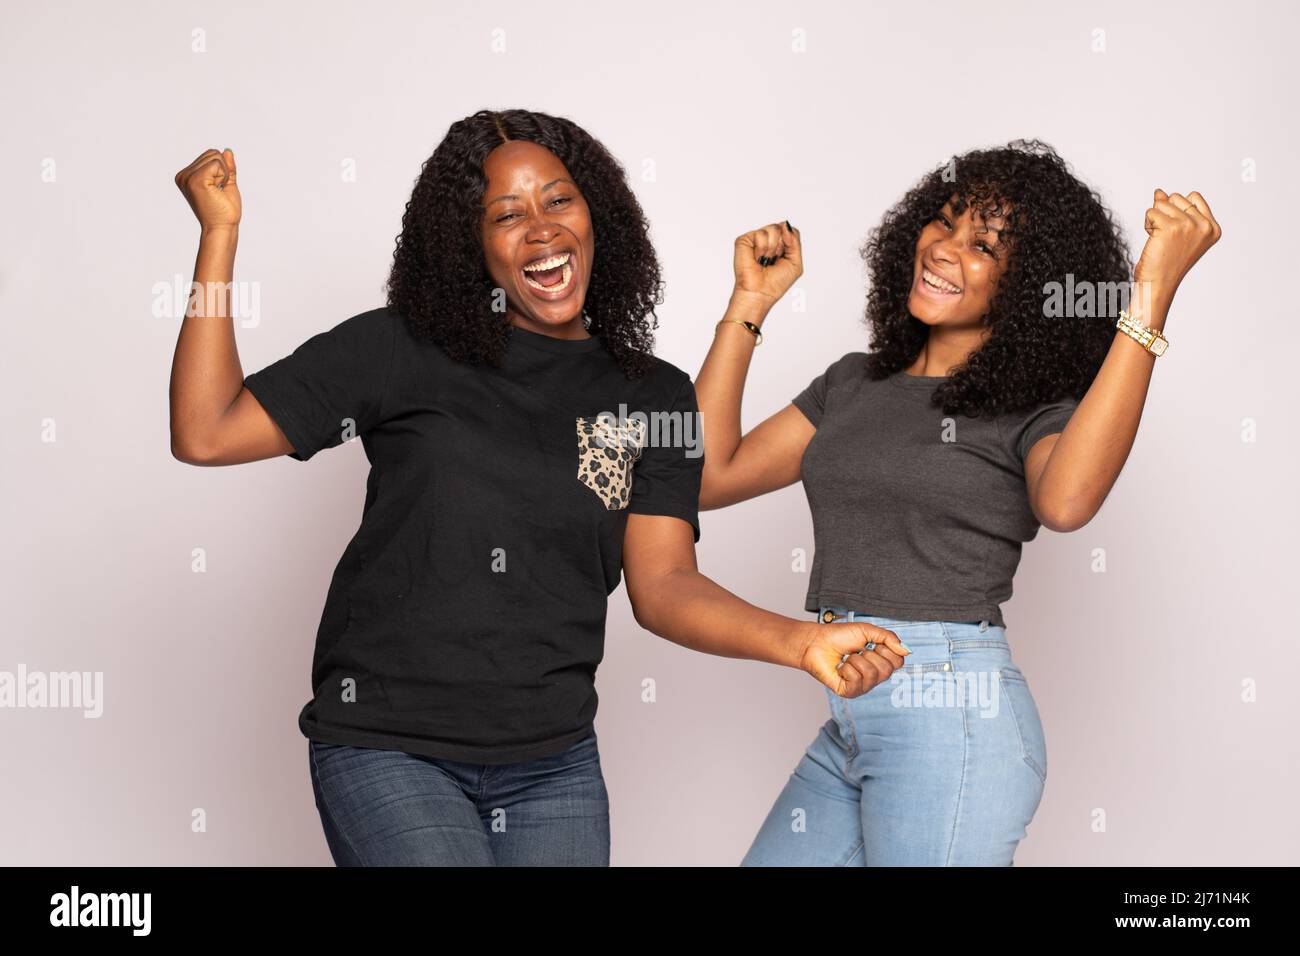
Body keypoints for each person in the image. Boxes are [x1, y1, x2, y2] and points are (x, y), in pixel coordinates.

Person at [167, 108, 910, 867]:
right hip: (389, 747)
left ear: (597, 216)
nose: (541, 230)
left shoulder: (654, 397)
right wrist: (219, 235)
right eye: (506, 214)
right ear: (471, 243)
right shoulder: (399, 348)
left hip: (552, 765)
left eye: (558, 201)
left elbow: (664, 586)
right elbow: (207, 429)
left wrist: (804, 642)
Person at [693, 140, 1221, 865]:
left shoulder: (1035, 407)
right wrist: (749, 305)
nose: (945, 249)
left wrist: (1152, 295)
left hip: (953, 710)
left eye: (984, 246)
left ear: (1027, 285)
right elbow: (705, 476)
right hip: (849, 703)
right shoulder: (854, 383)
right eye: (943, 223)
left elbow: (1067, 503)